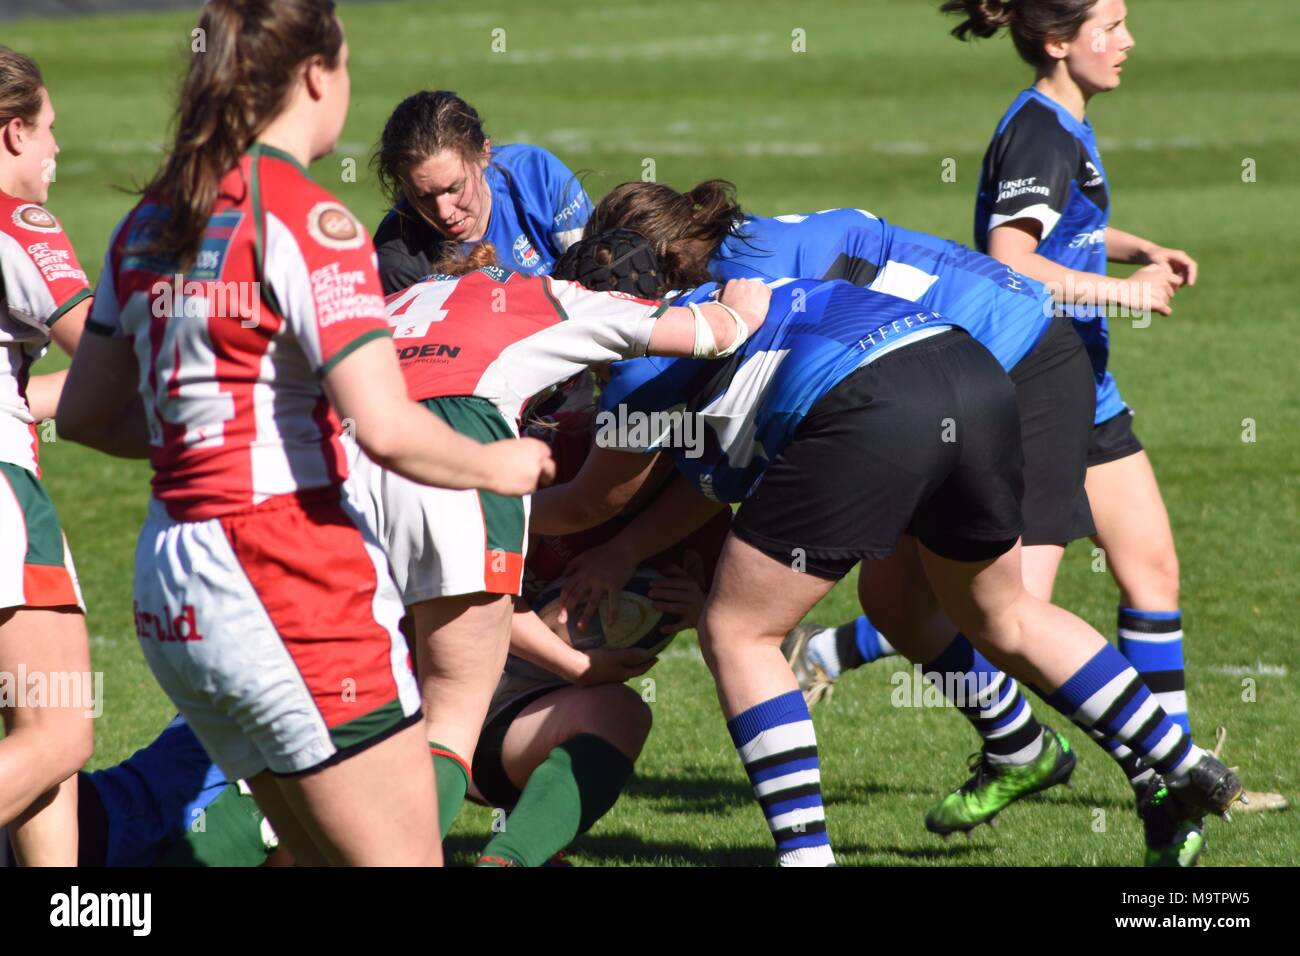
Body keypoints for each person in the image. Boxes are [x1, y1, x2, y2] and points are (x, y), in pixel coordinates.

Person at [545, 232, 1242, 867]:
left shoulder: (644, 367)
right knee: (1006, 615)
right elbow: (714, 476)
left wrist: (479, 504)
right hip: (972, 373)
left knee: (738, 631)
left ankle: (807, 859)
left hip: (873, 405)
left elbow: (589, 502)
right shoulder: (762, 291)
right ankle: (1184, 765)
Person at [54, 0, 552, 867]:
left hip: (174, 588)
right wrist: (497, 464)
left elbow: (92, 414)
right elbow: (388, 428)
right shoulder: (312, 223)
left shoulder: (150, 221)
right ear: (318, 77)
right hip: (287, 578)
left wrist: (213, 440)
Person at [945, 0, 1285, 829]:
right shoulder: (1038, 131)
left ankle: (1172, 781)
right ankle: (1015, 743)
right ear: (1059, 41)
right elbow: (1012, 260)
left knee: (1151, 569)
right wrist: (1125, 293)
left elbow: (1070, 228)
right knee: (1011, 618)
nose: (1128, 42)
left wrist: (1134, 248)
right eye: (1112, 26)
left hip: (1087, 391)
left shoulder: (1067, 121)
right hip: (1035, 392)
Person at [344, 231, 768, 838]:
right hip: (452, 461)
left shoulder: (385, 307)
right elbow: (704, 333)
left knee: (312, 720)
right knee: (448, 723)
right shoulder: (544, 310)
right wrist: (744, 306)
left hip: (340, 472)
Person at [0, 44, 95, 866]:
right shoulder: (17, 219)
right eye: (49, 132)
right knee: (61, 729)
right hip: (1, 494)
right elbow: (103, 357)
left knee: (39, 745)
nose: (57, 152)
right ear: (11, 134)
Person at [371, 90, 591, 293]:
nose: (444, 212)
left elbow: (598, 278)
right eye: (423, 196)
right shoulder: (397, 261)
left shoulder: (537, 177)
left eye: (454, 188)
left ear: (484, 154)